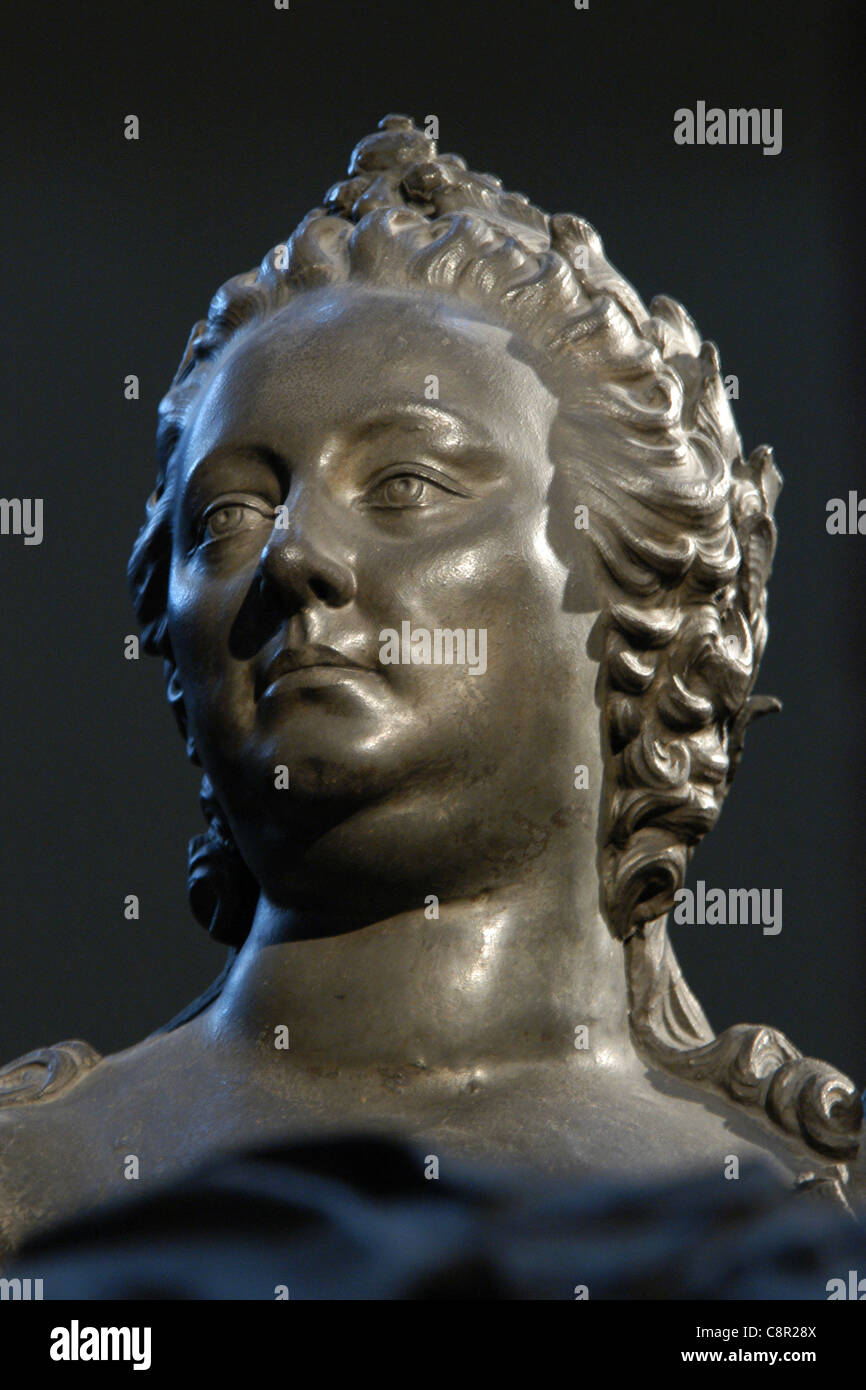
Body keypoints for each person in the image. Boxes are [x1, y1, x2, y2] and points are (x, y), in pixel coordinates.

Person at [0, 114, 860, 1268]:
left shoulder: (816, 1210)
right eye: (227, 518)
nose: (292, 555)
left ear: (642, 592)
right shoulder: (30, 1191)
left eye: (404, 482)